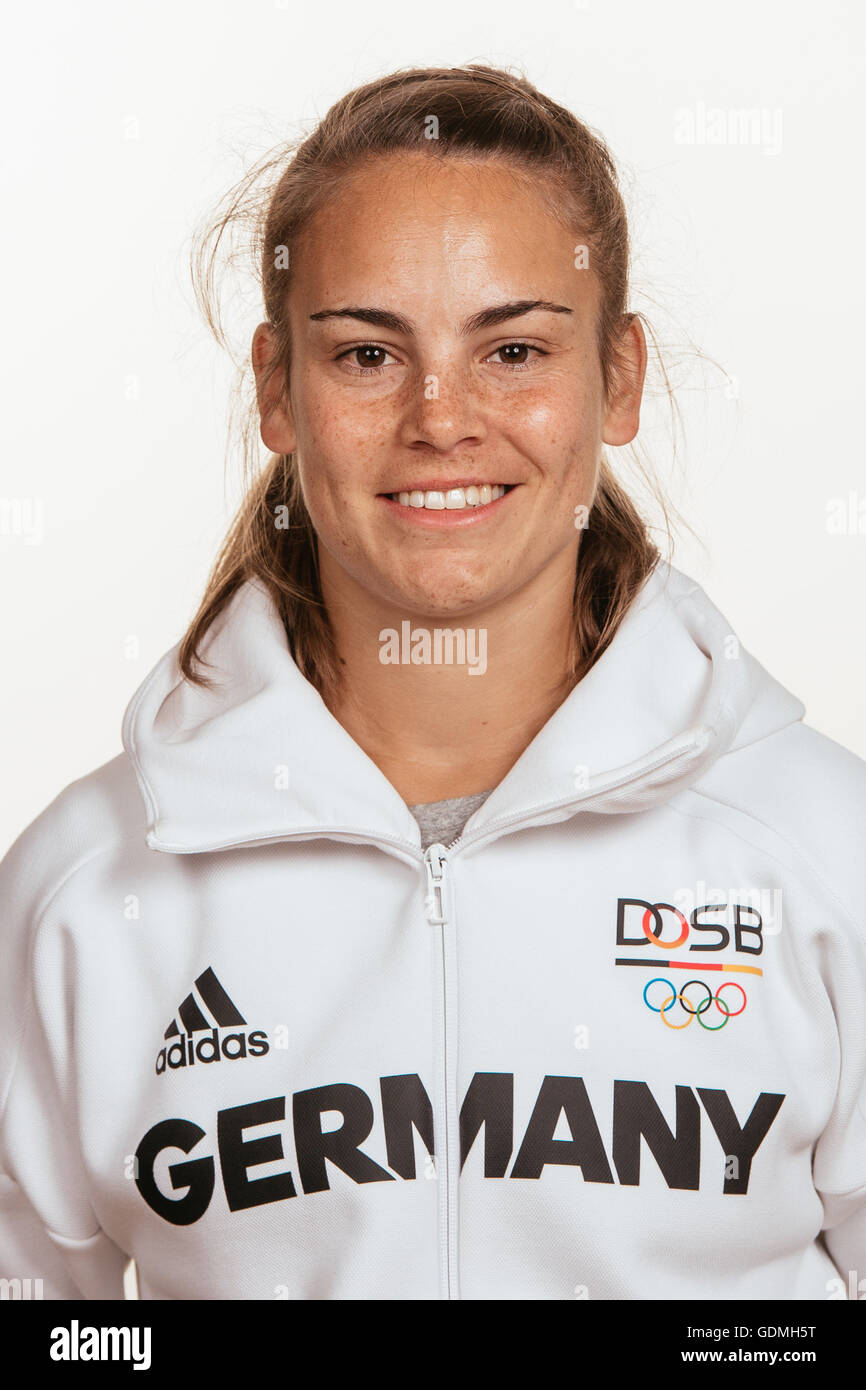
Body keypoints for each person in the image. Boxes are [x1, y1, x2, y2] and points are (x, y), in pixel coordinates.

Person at [1, 63, 864, 1303]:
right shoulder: (85, 888)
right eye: (364, 354)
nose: (440, 418)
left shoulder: (822, 849)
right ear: (275, 390)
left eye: (511, 348)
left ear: (615, 380)